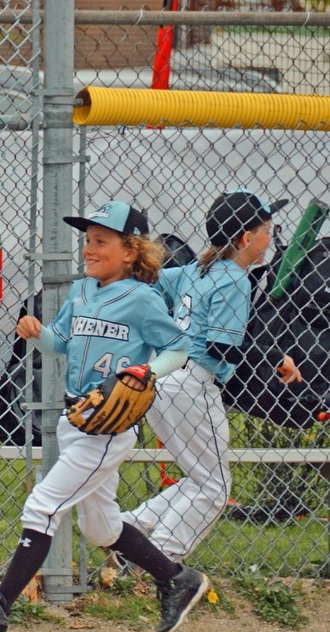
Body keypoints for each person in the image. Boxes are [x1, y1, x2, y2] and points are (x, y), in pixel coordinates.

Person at [0, 200, 210, 632]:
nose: (89, 248)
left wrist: (147, 372)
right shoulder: (82, 290)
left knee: (43, 506)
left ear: (130, 252)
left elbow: (178, 349)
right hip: (76, 415)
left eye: (101, 241)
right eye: (87, 240)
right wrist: (37, 332)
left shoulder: (142, 299)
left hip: (107, 428)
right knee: (100, 527)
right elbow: (62, 342)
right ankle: (177, 579)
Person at [121, 189, 302, 562]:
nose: (271, 237)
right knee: (215, 488)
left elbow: (154, 282)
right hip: (192, 384)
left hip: (162, 380)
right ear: (246, 238)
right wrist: (273, 357)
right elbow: (223, 349)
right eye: (267, 229)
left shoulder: (194, 269)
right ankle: (158, 560)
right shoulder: (235, 280)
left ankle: (130, 532)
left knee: (202, 479)